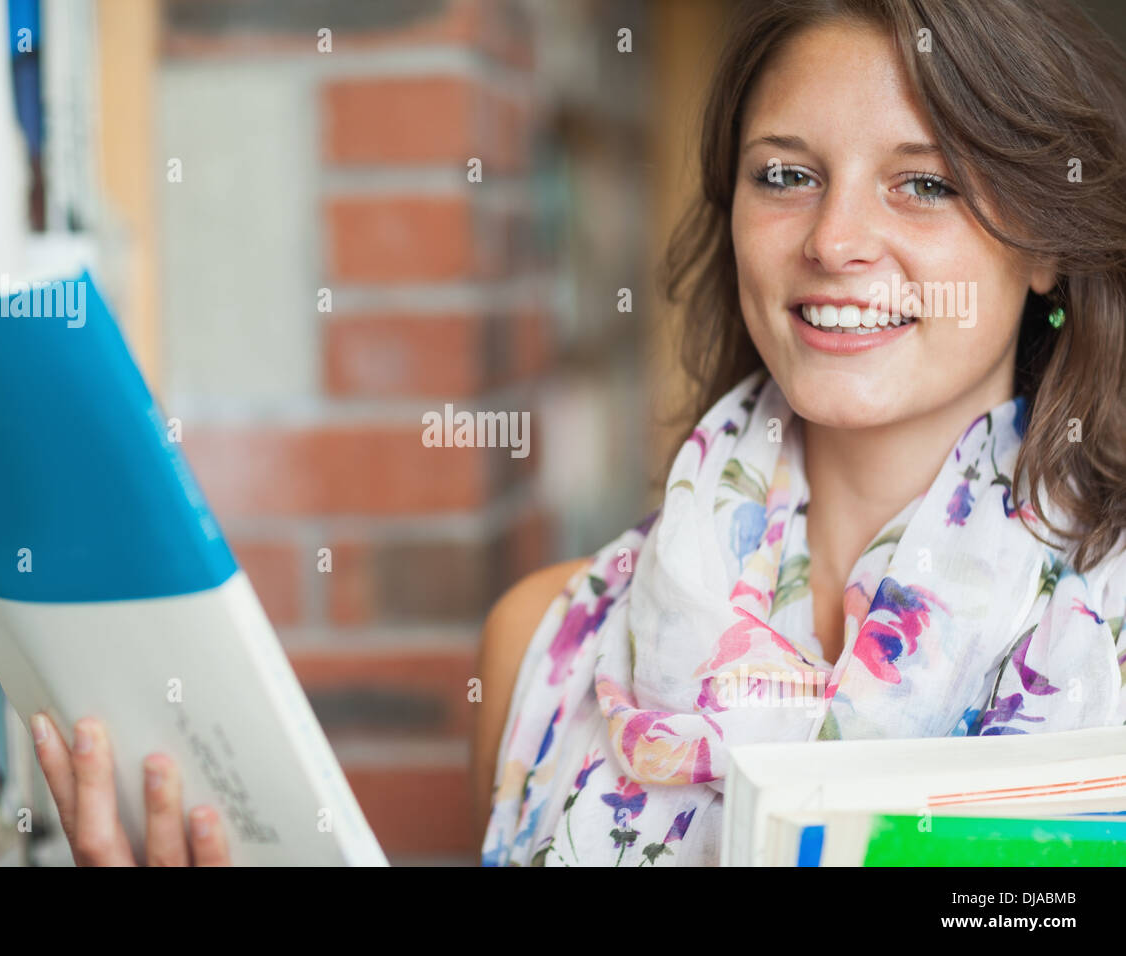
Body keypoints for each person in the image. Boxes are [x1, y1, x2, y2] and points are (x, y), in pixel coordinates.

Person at [475, 0, 1126, 866]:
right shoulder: (539, 643)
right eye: (786, 176)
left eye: (925, 183)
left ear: (1044, 245)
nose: (835, 240)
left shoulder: (1106, 645)